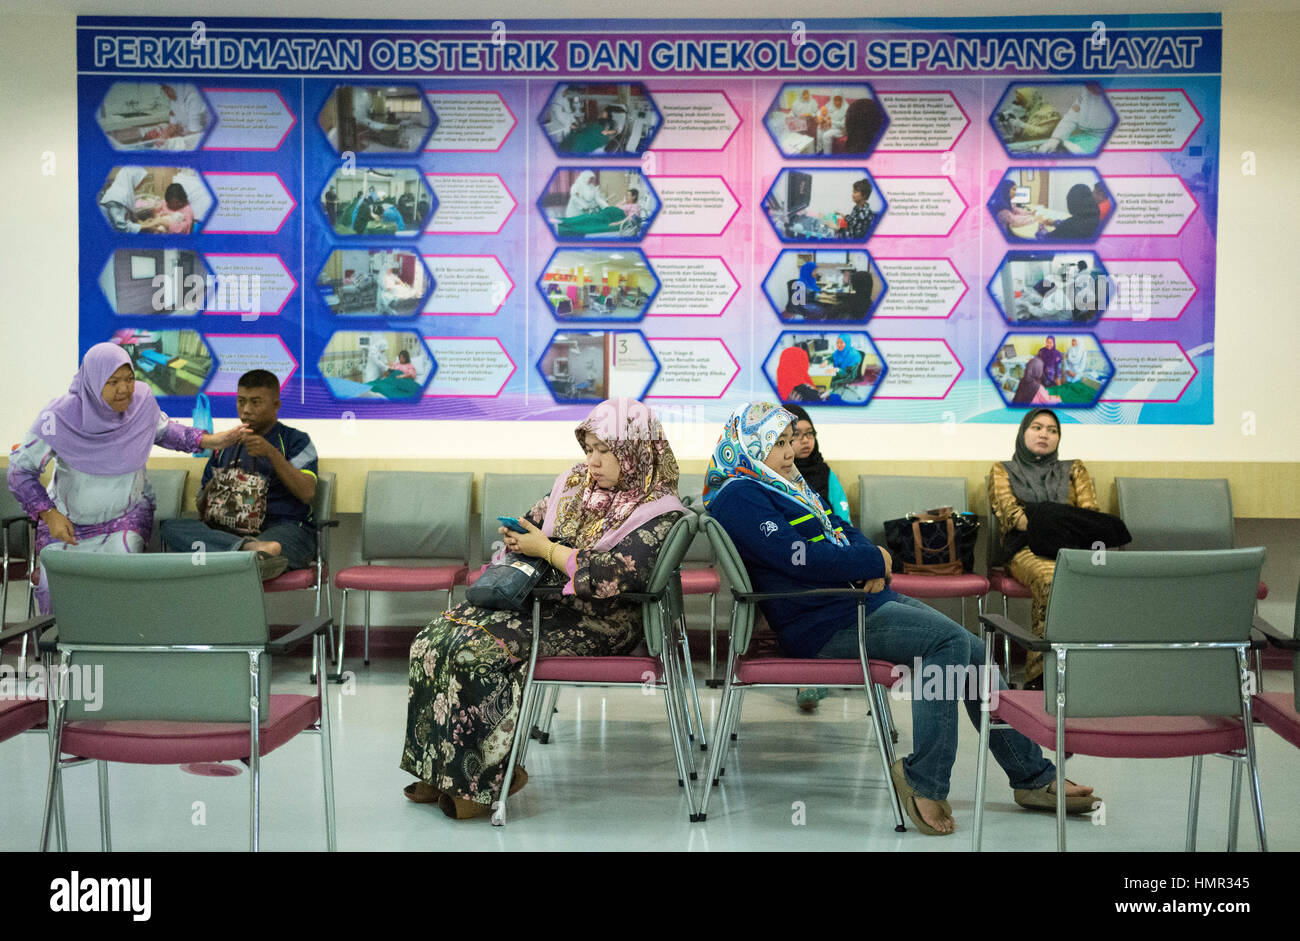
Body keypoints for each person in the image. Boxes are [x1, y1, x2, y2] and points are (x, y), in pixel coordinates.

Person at [704, 402, 1098, 834]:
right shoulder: (740, 494)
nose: (788, 453)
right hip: (819, 622)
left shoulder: (786, 483)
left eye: (787, 442)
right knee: (946, 645)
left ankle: (1031, 777)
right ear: (748, 445)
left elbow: (838, 527)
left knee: (972, 649)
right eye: (775, 444)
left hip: (847, 603)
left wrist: (873, 560)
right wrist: (870, 561)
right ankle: (924, 780)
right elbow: (800, 560)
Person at [401, 399, 688, 819]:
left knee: (475, 654)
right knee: (431, 640)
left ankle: (483, 779)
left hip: (602, 621)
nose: (593, 461)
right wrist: (518, 534)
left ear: (636, 449)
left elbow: (614, 577)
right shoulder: (572, 483)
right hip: (542, 603)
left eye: (605, 451)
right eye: (588, 449)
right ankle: (438, 768)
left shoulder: (660, 510)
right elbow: (533, 521)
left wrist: (548, 550)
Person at [7, 343, 246, 613]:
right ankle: (62, 652)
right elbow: (19, 471)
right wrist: (50, 515)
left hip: (123, 522)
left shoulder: (141, 404)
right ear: (93, 382)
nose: (124, 389)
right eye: (112, 382)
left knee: (122, 586)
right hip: (68, 527)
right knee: (56, 588)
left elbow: (167, 432)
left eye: (129, 379)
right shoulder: (58, 417)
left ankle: (117, 651)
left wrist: (212, 440)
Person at [160, 369, 318, 579]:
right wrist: (220, 482)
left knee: (277, 546)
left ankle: (240, 557)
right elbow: (201, 507)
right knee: (170, 528)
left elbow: (307, 492)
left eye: (255, 402)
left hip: (284, 527)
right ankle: (248, 553)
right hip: (230, 530)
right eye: (241, 401)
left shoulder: (296, 440)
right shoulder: (226, 444)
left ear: (276, 405)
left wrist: (271, 453)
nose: (246, 410)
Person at [989, 409, 1100, 688]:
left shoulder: (1074, 469)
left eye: (1052, 430)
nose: (1044, 434)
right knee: (1053, 579)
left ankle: (1089, 669)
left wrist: (1044, 516)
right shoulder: (1003, 470)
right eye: (1037, 427)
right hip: (1025, 550)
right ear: (1023, 432)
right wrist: (1061, 518)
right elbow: (1016, 518)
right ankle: (1042, 675)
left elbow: (1091, 517)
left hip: (1072, 549)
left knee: (1102, 575)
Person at [98, 166, 147, 233]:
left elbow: (126, 218)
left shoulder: (122, 192)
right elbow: (122, 228)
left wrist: (144, 223)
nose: (142, 184)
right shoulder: (118, 196)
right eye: (141, 181)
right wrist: (149, 226)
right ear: (133, 178)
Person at [817, 89, 849, 154]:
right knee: (819, 129)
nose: (837, 102)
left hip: (840, 129)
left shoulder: (846, 107)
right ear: (832, 99)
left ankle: (827, 155)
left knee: (826, 135)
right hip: (830, 125)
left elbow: (843, 124)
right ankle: (819, 150)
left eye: (839, 100)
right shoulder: (830, 104)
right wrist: (820, 117)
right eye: (835, 100)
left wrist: (831, 122)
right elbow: (820, 110)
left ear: (842, 99)